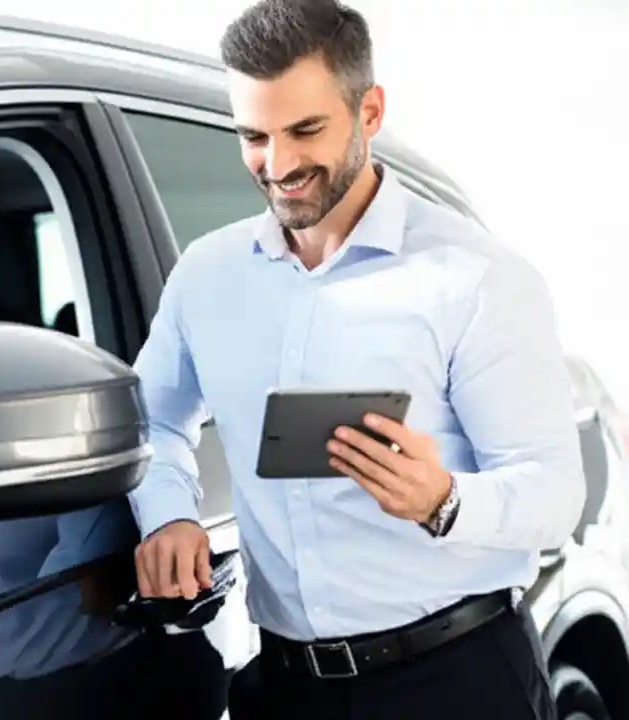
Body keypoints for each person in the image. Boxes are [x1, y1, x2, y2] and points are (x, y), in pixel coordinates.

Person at [127, 0, 585, 718]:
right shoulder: (207, 276)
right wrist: (167, 514)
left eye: (305, 130)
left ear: (369, 112)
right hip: (281, 687)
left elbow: (557, 493)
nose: (277, 166)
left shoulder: (476, 278)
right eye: (254, 136)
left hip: (455, 683)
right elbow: (152, 420)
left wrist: (445, 502)